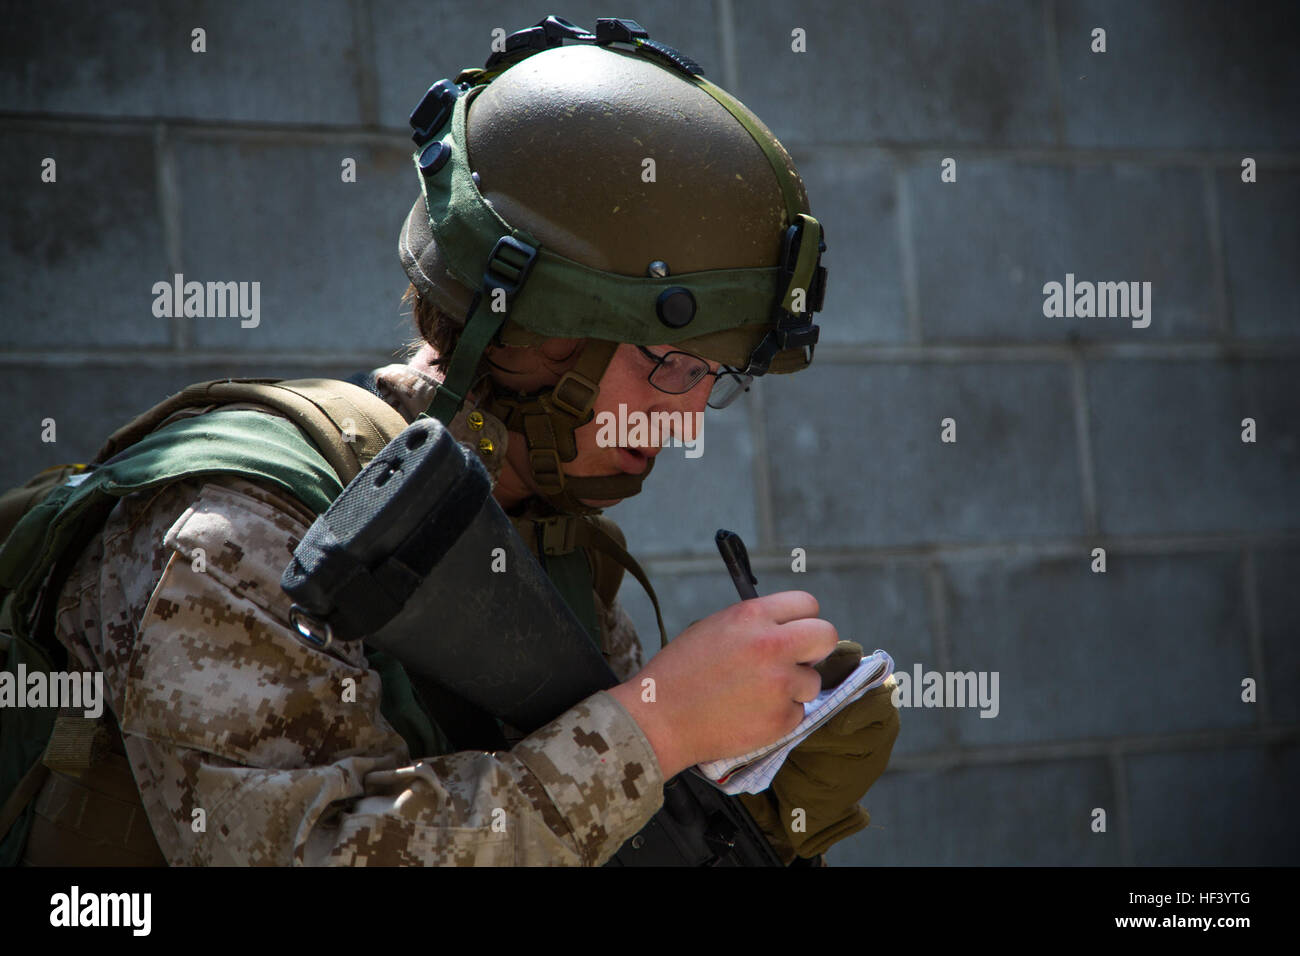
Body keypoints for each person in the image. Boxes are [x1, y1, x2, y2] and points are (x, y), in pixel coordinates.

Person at [11, 18, 898, 866]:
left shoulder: (545, 542)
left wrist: (753, 801)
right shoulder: (236, 529)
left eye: (716, 379)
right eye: (672, 366)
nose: (690, 419)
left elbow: (577, 831)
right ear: (536, 335)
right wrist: (660, 725)